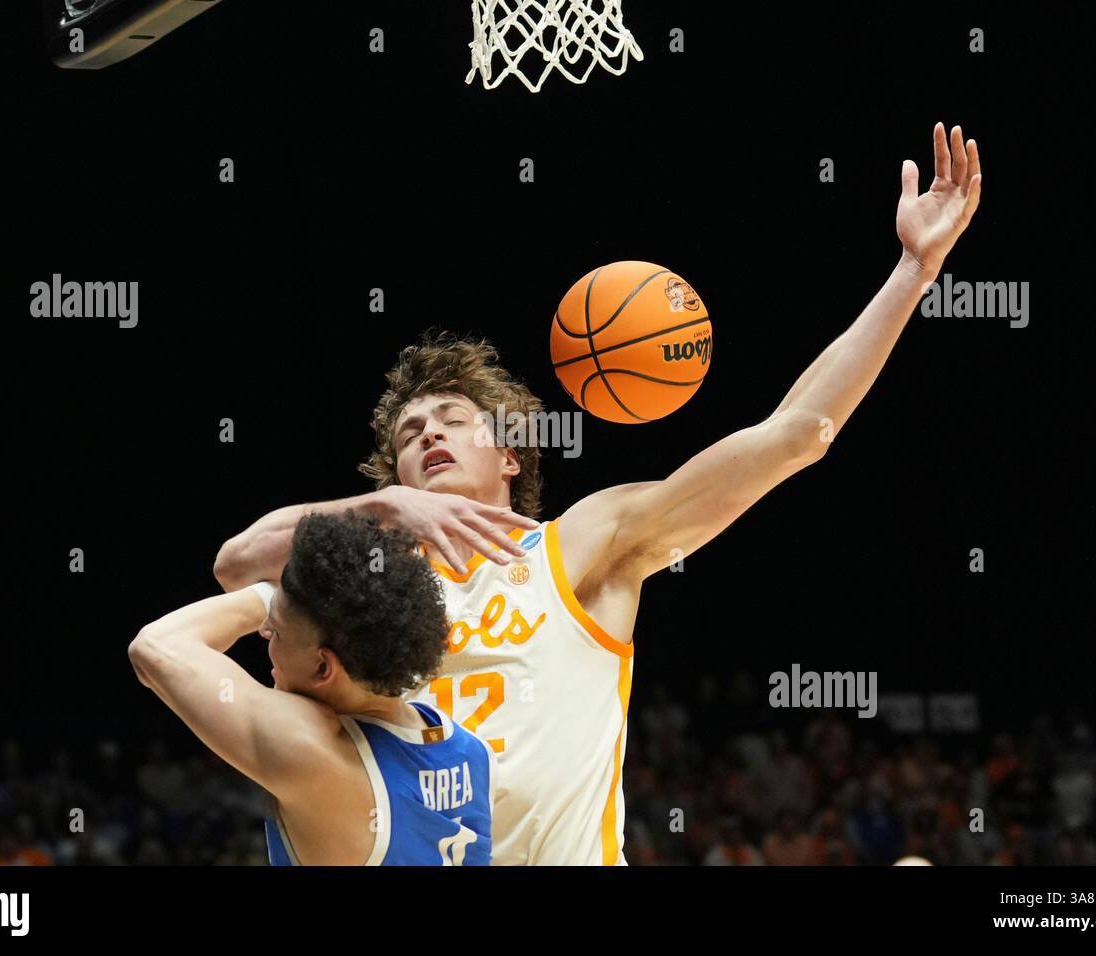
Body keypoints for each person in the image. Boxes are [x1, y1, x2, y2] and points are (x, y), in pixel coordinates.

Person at [213, 124, 983, 865]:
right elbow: (236, 565)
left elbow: (794, 436)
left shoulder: (579, 547)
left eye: (452, 419)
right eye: (409, 434)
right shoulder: (368, 587)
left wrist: (912, 272)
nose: (427, 436)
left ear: (508, 454)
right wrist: (381, 511)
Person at [130, 511, 496, 865]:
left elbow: (156, 646)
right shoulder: (472, 750)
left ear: (323, 667)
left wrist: (267, 595)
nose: (264, 634)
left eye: (276, 630)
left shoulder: (312, 748)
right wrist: (297, 596)